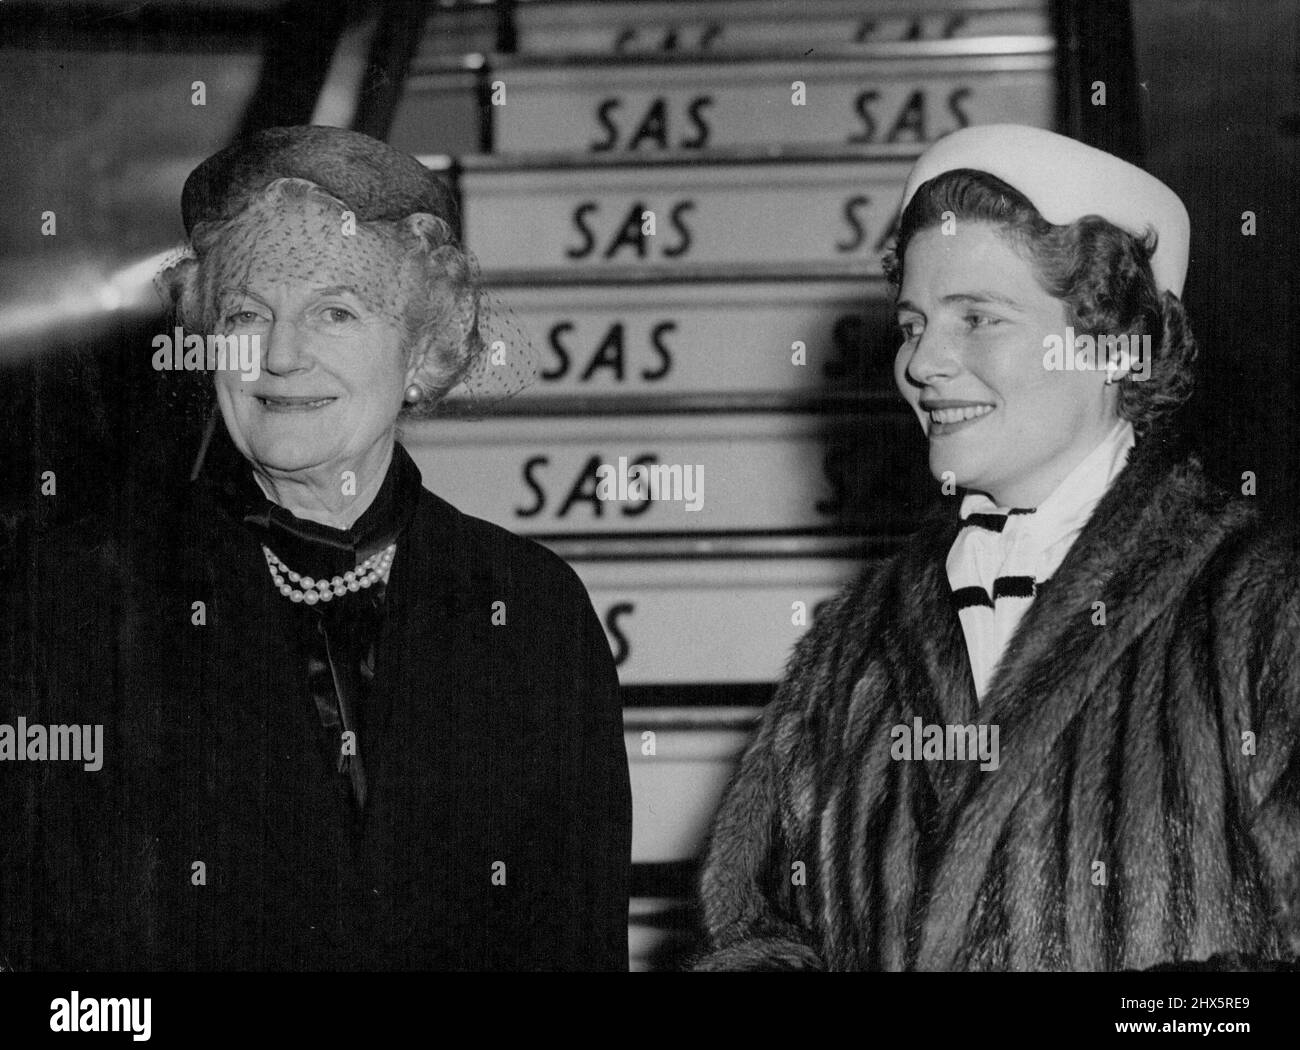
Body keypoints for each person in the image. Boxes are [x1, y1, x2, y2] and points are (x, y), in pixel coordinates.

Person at [0, 125, 631, 971]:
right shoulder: (78, 598)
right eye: (246, 314)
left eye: (335, 311)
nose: (280, 355)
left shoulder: (532, 609)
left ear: (423, 349)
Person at [696, 125, 1300, 971]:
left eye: (977, 317)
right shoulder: (854, 642)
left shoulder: (1262, 607)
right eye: (913, 323)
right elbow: (758, 930)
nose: (923, 363)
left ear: (1113, 343)